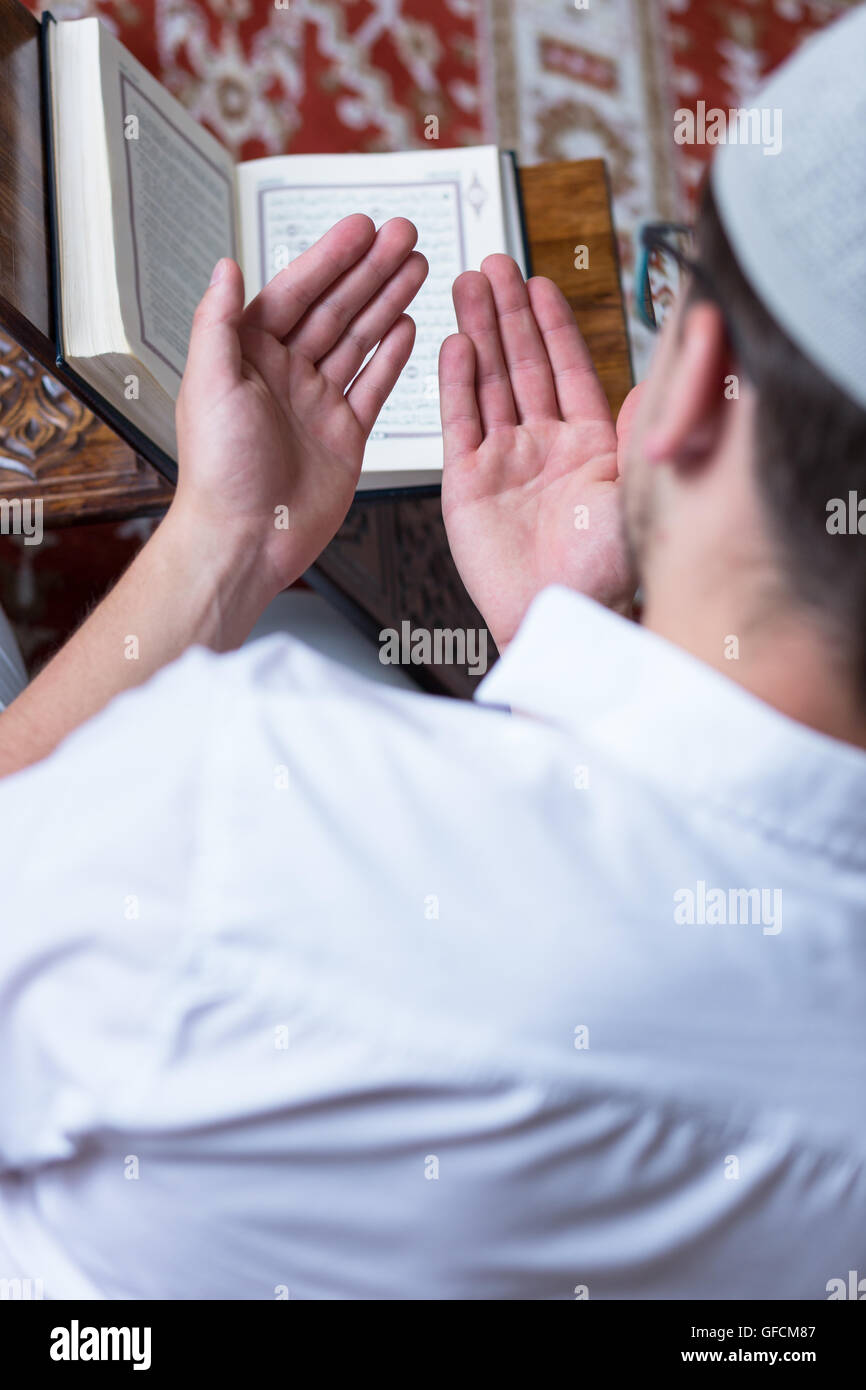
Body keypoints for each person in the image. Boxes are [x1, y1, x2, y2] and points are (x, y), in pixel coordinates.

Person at [0, 7, 865, 1301]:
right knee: (316, 621)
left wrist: (219, 543)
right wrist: (551, 664)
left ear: (687, 389)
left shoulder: (235, 806)